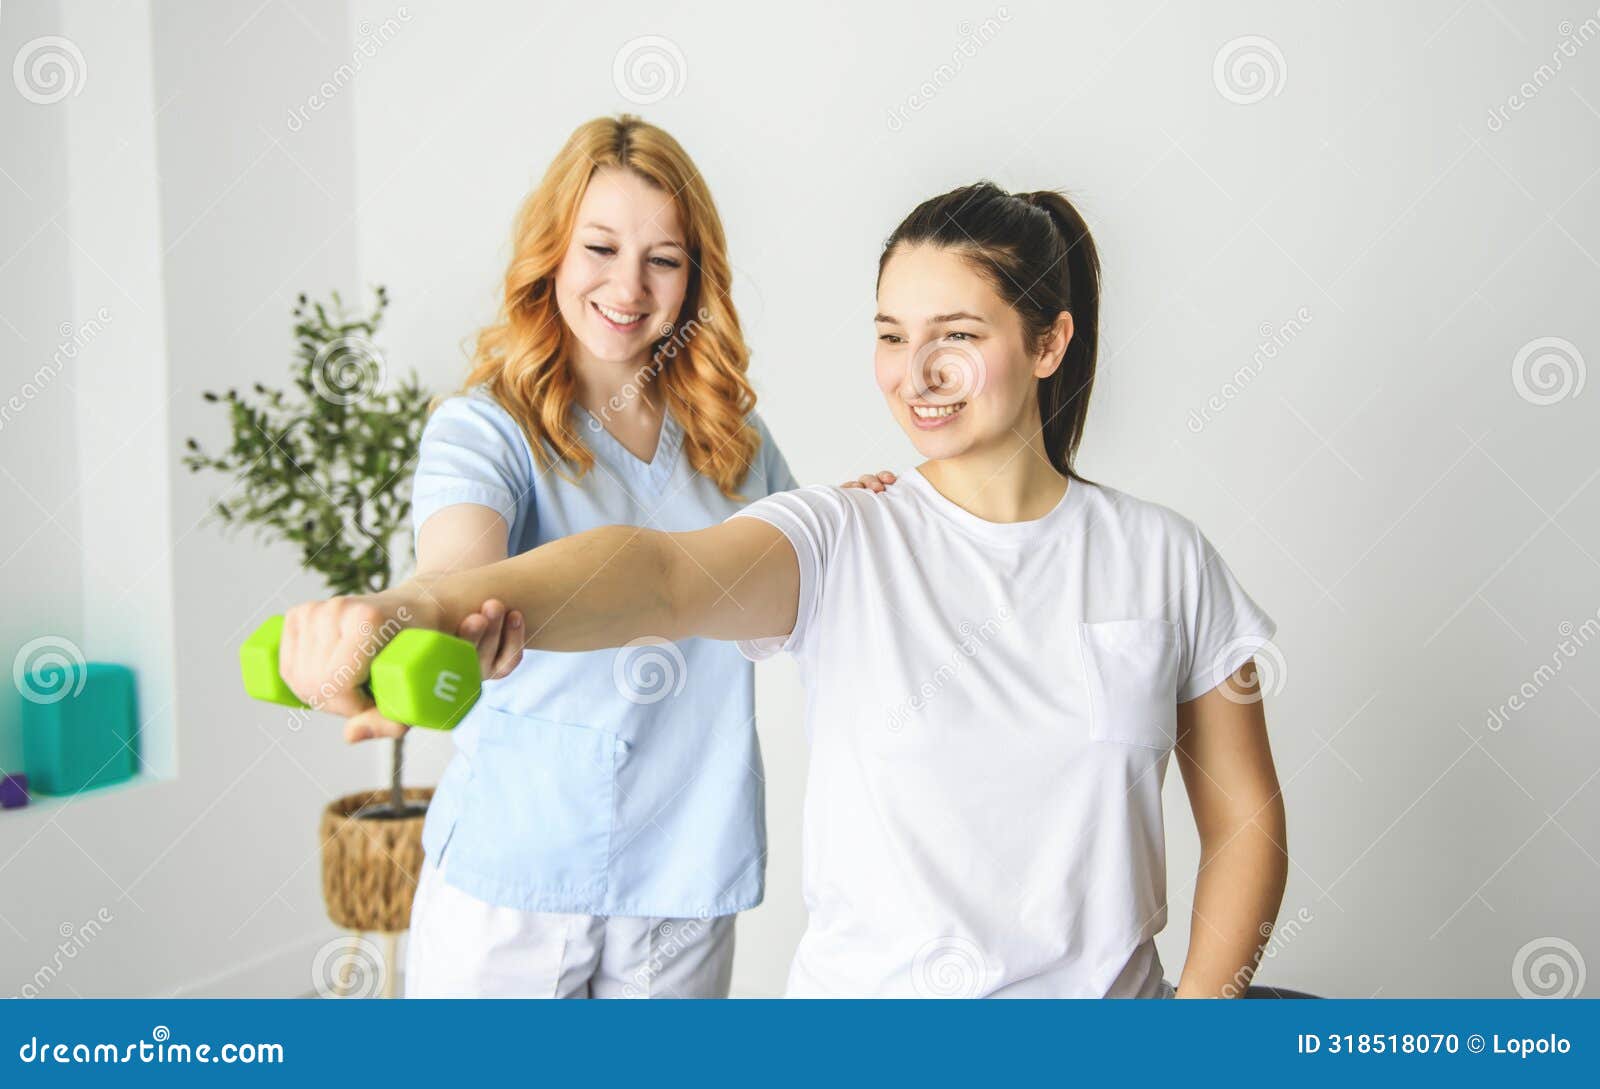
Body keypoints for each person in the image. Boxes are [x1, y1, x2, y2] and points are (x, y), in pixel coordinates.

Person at [285, 181, 1287, 998]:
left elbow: (1244, 817)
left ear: (1047, 345)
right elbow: (660, 576)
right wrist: (413, 608)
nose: (914, 372)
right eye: (890, 334)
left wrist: (1187, 1035)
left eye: (956, 335)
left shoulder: (1164, 558)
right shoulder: (841, 535)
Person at [333, 114, 892, 998]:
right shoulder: (484, 428)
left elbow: (803, 589)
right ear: (552, 251)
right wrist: (438, 620)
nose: (627, 286)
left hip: (682, 877)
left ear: (694, 275)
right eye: (599, 248)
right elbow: (456, 574)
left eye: (663, 259)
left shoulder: (734, 439)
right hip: (513, 881)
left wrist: (865, 520)